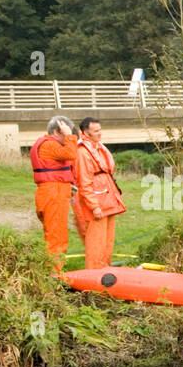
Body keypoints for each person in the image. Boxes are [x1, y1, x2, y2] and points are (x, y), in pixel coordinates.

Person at [73, 117, 126, 268]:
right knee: (96, 243)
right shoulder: (82, 153)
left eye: (100, 130)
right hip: (96, 203)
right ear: (86, 133)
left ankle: (105, 272)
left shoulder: (99, 148)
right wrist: (94, 206)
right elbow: (84, 182)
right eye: (96, 131)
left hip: (108, 199)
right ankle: (94, 276)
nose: (100, 134)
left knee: (107, 242)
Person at [30, 115, 79, 273]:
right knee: (56, 238)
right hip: (53, 193)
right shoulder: (49, 145)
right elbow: (71, 154)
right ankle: (53, 276)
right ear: (58, 131)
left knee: (55, 235)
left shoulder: (50, 146)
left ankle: (52, 273)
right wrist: (69, 134)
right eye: (66, 132)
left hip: (54, 192)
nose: (70, 138)